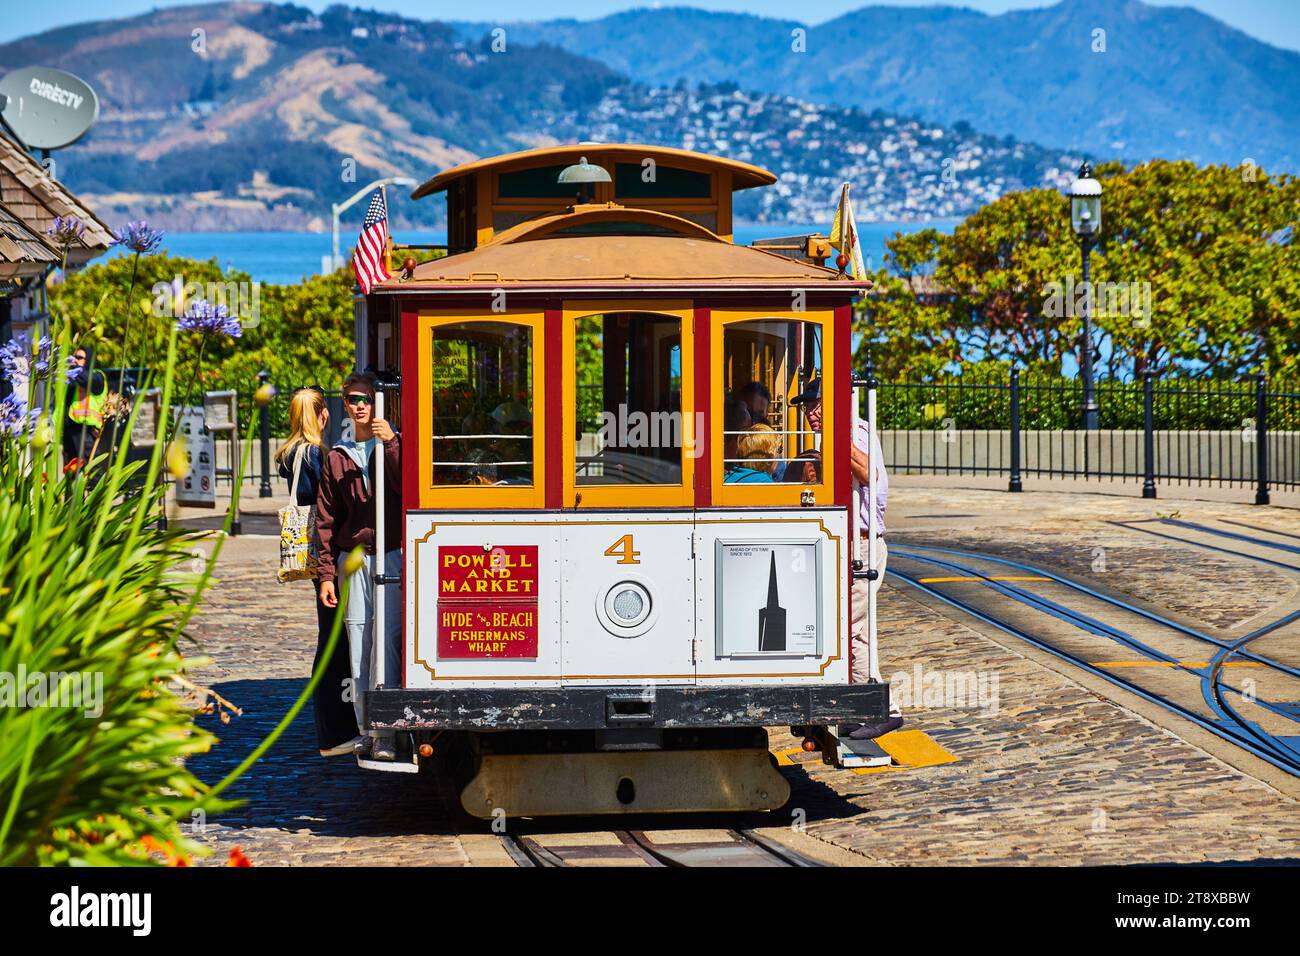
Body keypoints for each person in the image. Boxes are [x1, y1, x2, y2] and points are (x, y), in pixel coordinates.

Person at [790, 377, 901, 739]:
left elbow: (871, 476)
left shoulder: (857, 432)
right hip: (848, 543)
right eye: (807, 406)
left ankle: (881, 707)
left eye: (817, 404)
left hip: (865, 543)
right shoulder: (820, 439)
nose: (812, 413)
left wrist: (836, 445)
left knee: (854, 627)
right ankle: (863, 706)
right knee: (857, 628)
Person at [316, 372, 403, 760]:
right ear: (345, 405)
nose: (360, 405)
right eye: (353, 399)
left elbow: (409, 488)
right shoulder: (337, 455)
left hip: (391, 552)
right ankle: (367, 729)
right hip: (353, 559)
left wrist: (393, 444)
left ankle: (390, 730)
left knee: (389, 641)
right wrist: (326, 574)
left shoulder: (394, 442)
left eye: (367, 398)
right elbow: (325, 520)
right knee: (359, 642)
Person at [276, 387, 362, 758]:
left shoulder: (287, 454)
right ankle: (334, 730)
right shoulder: (315, 454)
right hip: (325, 552)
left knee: (329, 633)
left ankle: (334, 729)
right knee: (333, 638)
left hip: (312, 555)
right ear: (322, 416)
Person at [64, 345, 107, 471]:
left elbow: (87, 379)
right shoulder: (71, 380)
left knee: (92, 472)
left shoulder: (98, 376)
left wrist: (72, 366)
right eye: (74, 357)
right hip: (70, 432)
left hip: (87, 432)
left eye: (80, 357)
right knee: (71, 473)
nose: (76, 360)